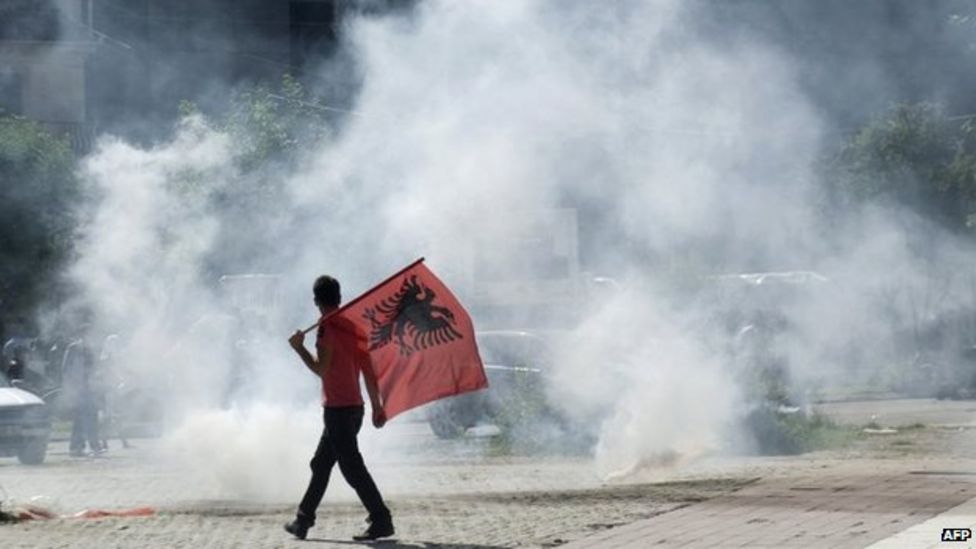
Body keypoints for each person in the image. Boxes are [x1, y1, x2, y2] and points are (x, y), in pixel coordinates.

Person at [284, 275, 395, 541]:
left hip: (337, 411)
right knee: (321, 464)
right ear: (339, 297)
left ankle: (381, 519)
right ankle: (303, 520)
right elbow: (368, 371)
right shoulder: (351, 325)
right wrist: (376, 406)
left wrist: (299, 349)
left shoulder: (327, 327)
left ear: (316, 301)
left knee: (351, 468)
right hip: (354, 409)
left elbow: (321, 369)